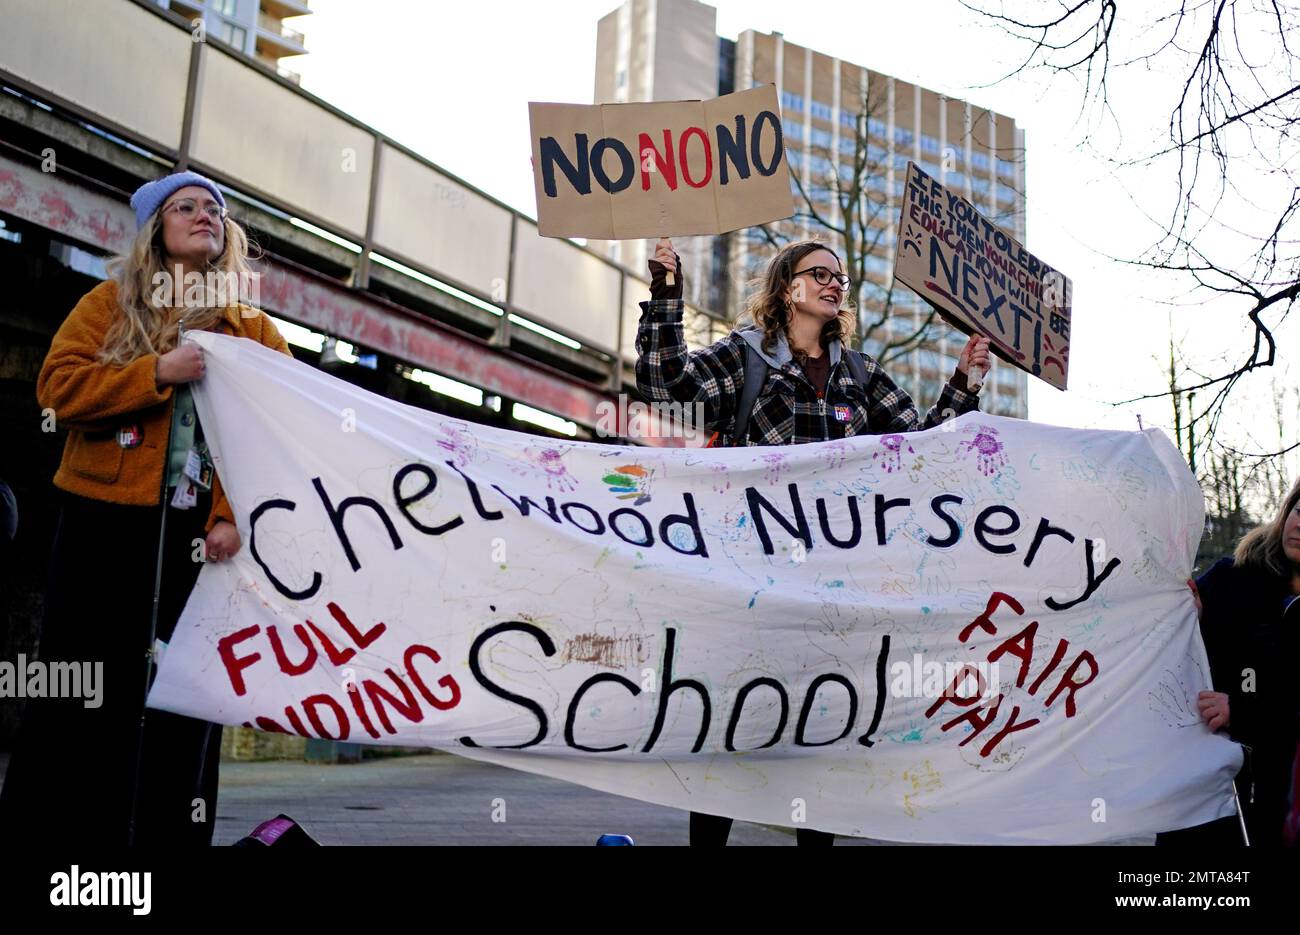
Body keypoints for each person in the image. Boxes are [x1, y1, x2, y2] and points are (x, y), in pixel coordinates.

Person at [636, 237, 990, 845]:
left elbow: (922, 455)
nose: (834, 284)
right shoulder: (744, 361)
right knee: (729, 730)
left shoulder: (861, 375)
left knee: (821, 735)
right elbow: (667, 388)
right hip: (751, 585)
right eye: (819, 273)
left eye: (841, 277)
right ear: (787, 287)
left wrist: (964, 380)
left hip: (831, 592)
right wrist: (667, 291)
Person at [0, 170, 292, 846]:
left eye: (215, 208)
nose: (204, 215)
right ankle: (63, 842)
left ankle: (165, 840)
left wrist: (227, 513)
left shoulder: (253, 329)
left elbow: (272, 431)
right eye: (184, 206)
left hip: (201, 537)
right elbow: (58, 391)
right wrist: (155, 373)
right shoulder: (107, 304)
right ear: (154, 229)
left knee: (187, 697)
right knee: (82, 689)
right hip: (102, 523)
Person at [1158, 478, 1300, 846]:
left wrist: (1247, 710)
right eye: (1299, 510)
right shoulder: (1231, 578)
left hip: (1281, 805)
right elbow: (1168, 642)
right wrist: (1185, 614)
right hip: (1202, 794)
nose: (1299, 524)